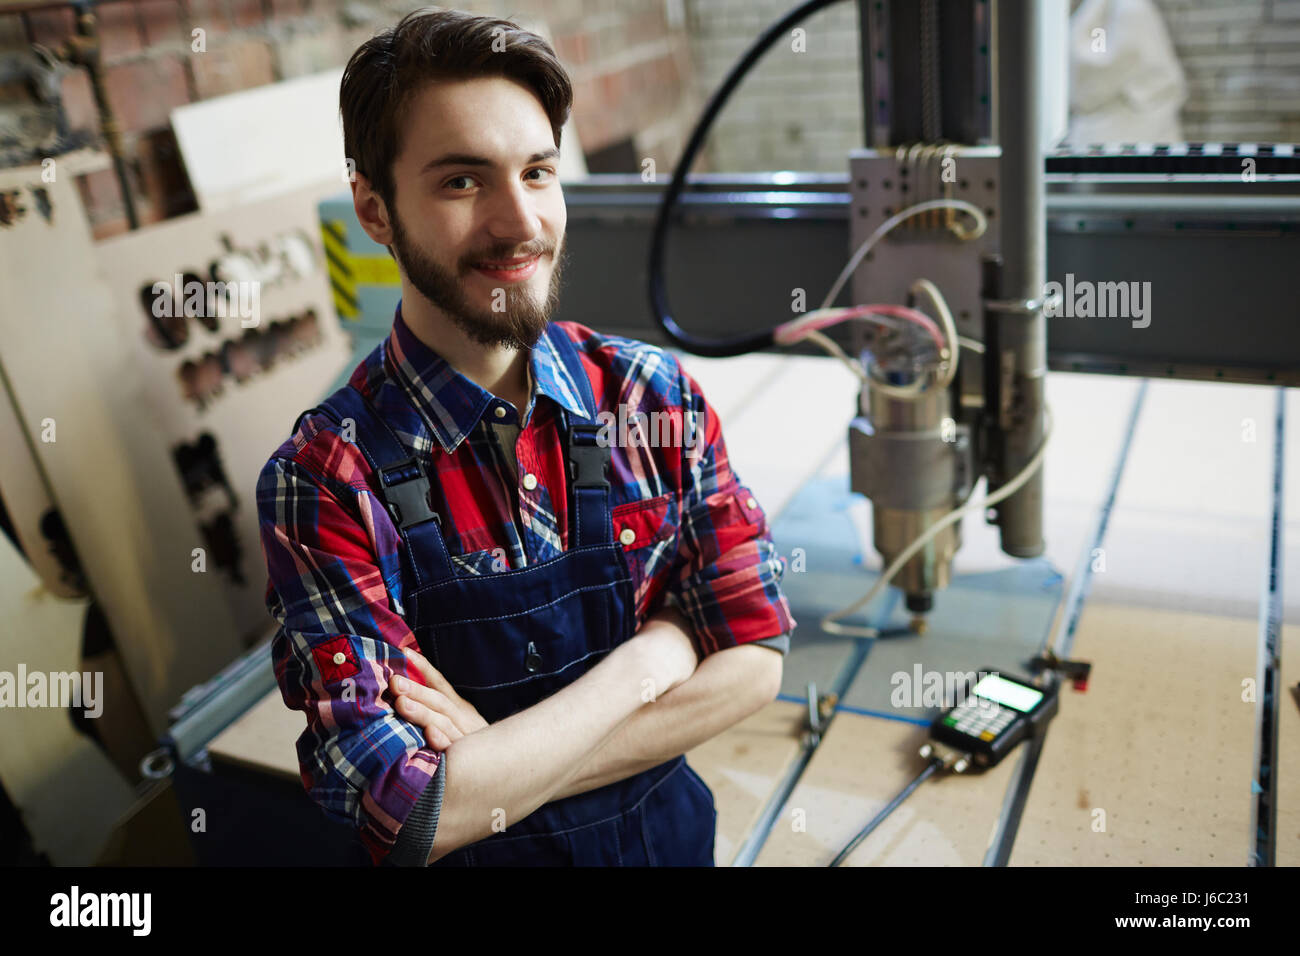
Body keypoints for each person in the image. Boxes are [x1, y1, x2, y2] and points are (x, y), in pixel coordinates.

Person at [256, 7, 795, 867]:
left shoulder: (649, 398)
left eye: (537, 172)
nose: (520, 223)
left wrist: (495, 762)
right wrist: (657, 655)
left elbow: (757, 655)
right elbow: (410, 813)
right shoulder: (326, 478)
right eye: (463, 182)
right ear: (376, 209)